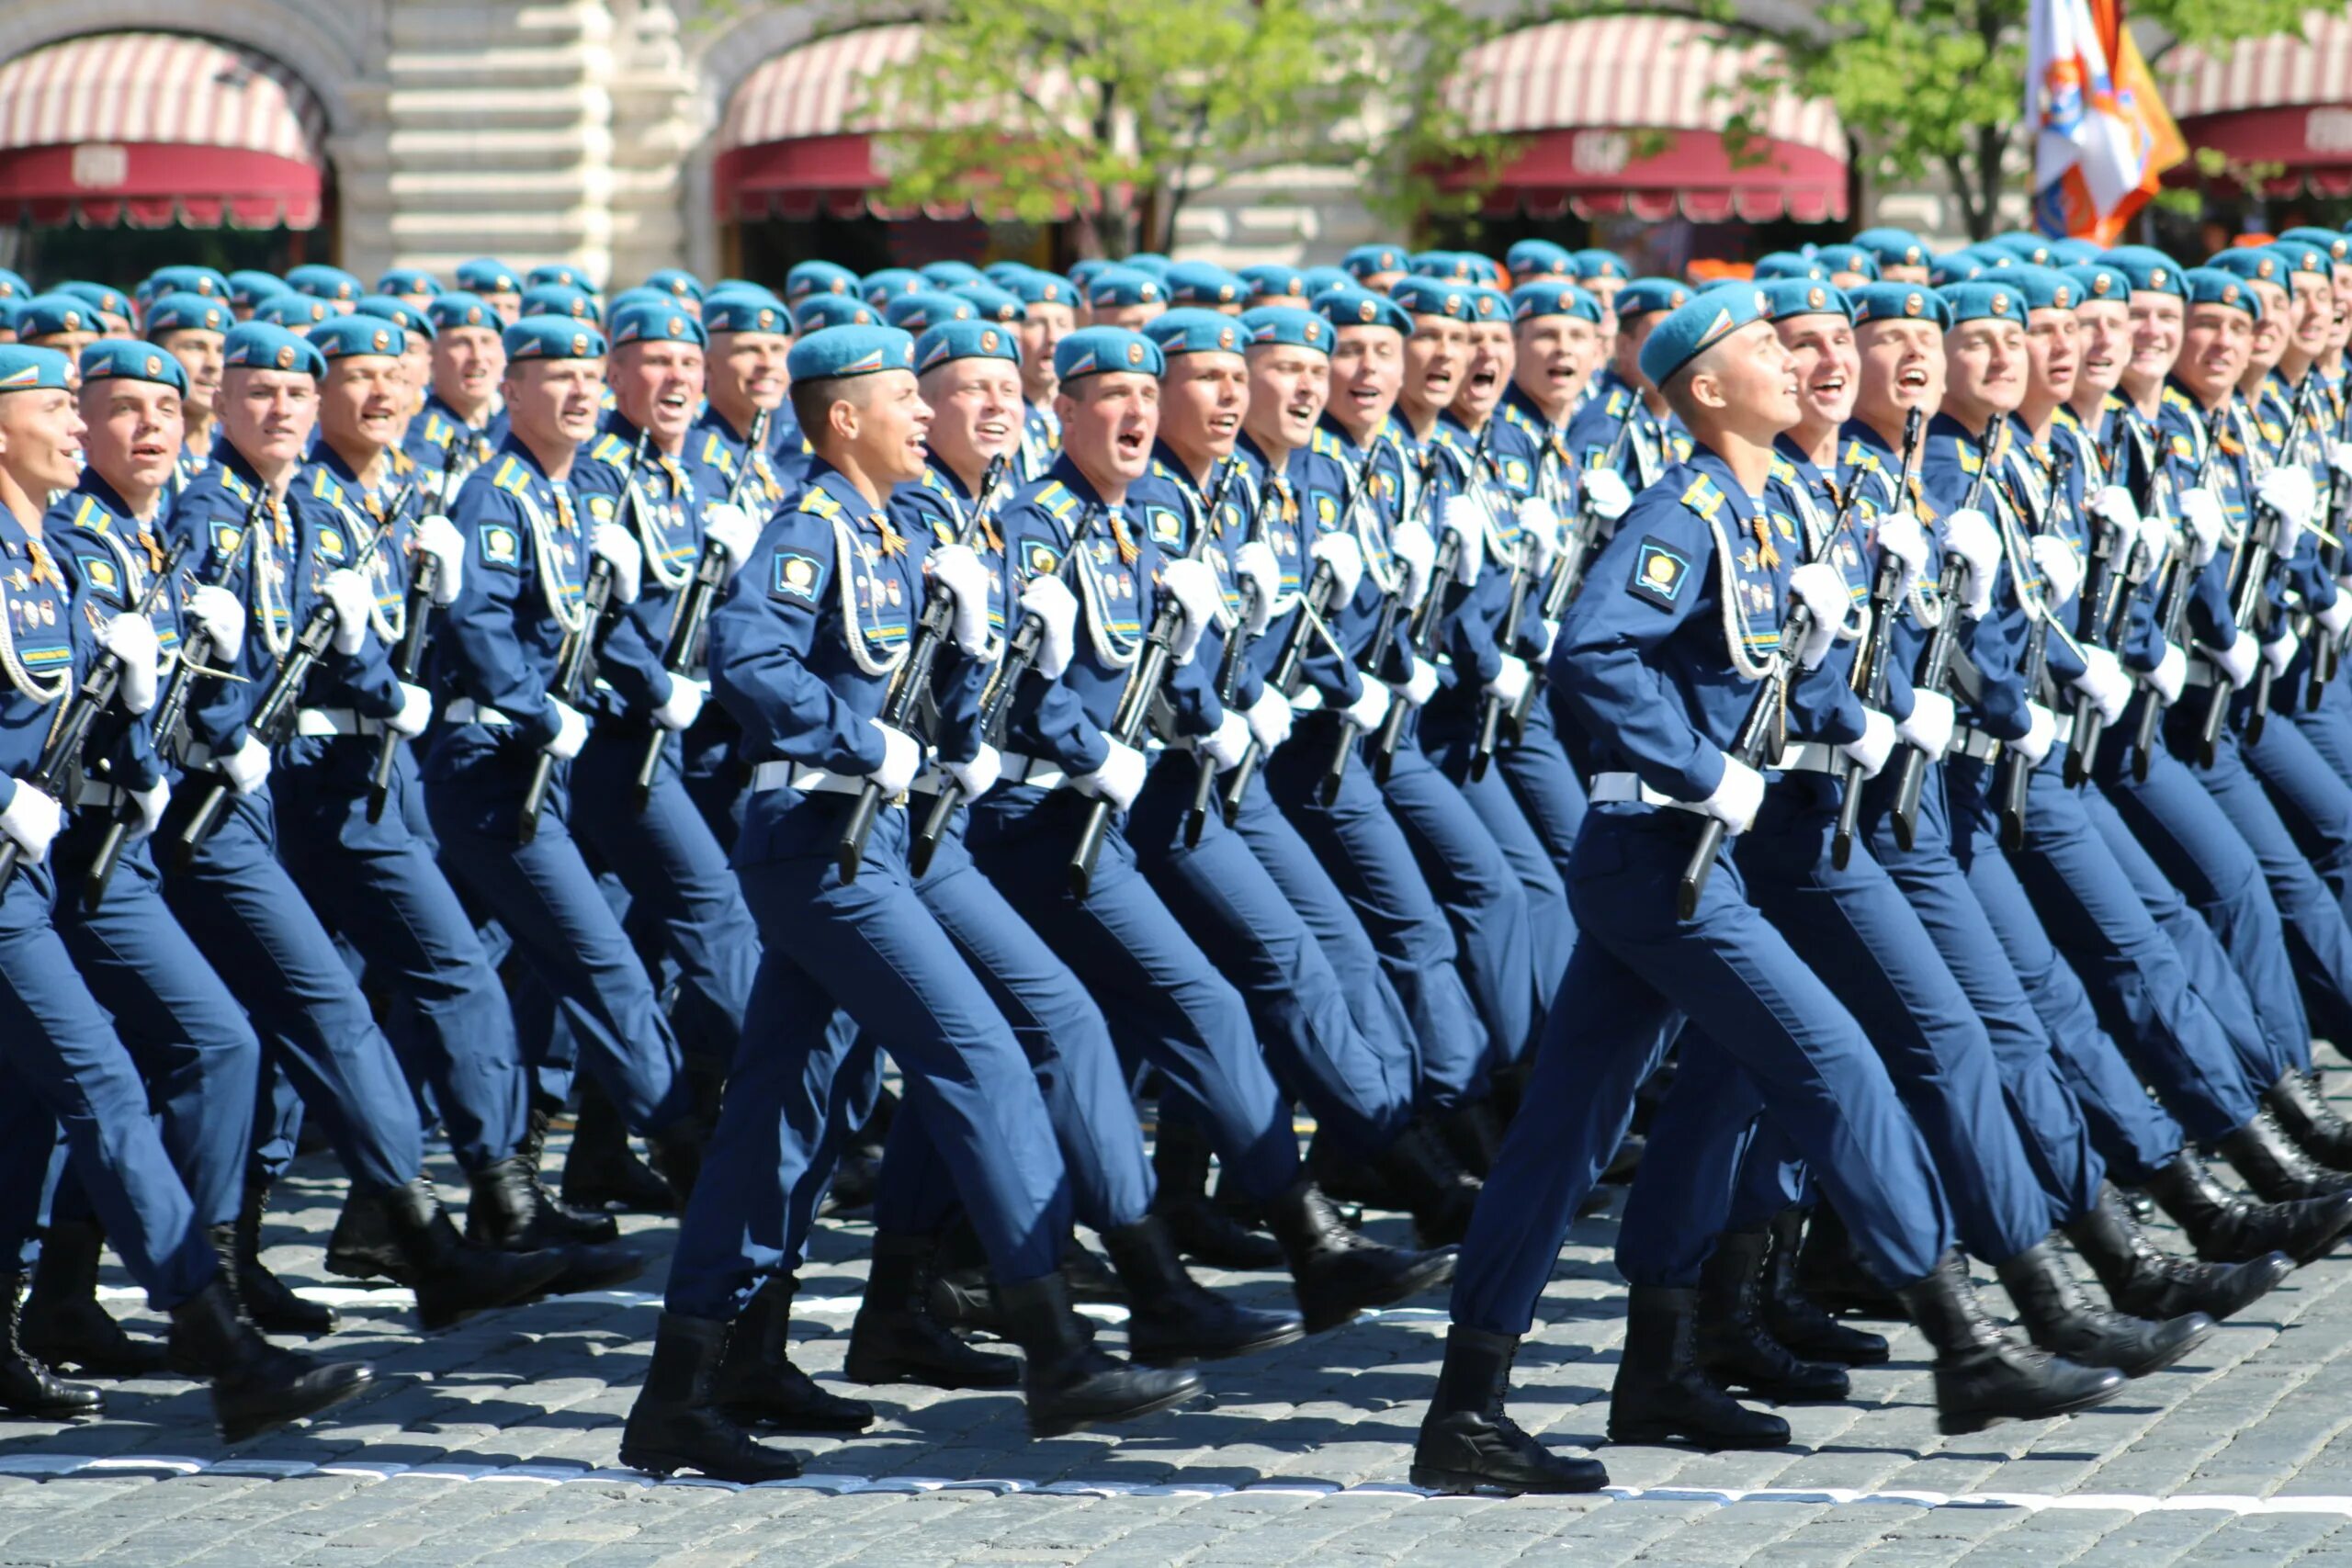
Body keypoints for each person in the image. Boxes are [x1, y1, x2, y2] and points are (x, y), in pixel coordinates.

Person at [1414, 288, 2123, 1498]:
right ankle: (1966, 1340)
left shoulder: (1751, 512)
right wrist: (1698, 771)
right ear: (1704, 387)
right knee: (1834, 1064)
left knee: (1563, 1134)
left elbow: (1758, 672)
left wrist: (1841, 719)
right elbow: (1592, 650)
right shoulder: (1683, 511)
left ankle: (1480, 1405)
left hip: (1673, 863)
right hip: (1665, 862)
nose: (1794, 364)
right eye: (1763, 350)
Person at [628, 322, 1200, 1484]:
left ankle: (698, 1381)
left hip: (866, 836)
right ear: (845, 418)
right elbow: (747, 661)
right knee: (980, 1055)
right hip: (818, 844)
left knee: (784, 1111)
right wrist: (863, 738)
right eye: (905, 399)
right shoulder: (812, 527)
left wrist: (969, 681)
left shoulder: (890, 534)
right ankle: (1056, 1346)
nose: (926, 417)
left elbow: (909, 694)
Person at [0, 341, 375, 1439]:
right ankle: (221, 1340)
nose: (80, 430)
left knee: (37, 1104)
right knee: (105, 1087)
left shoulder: (48, 560)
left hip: (39, 874)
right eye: (57, 411)